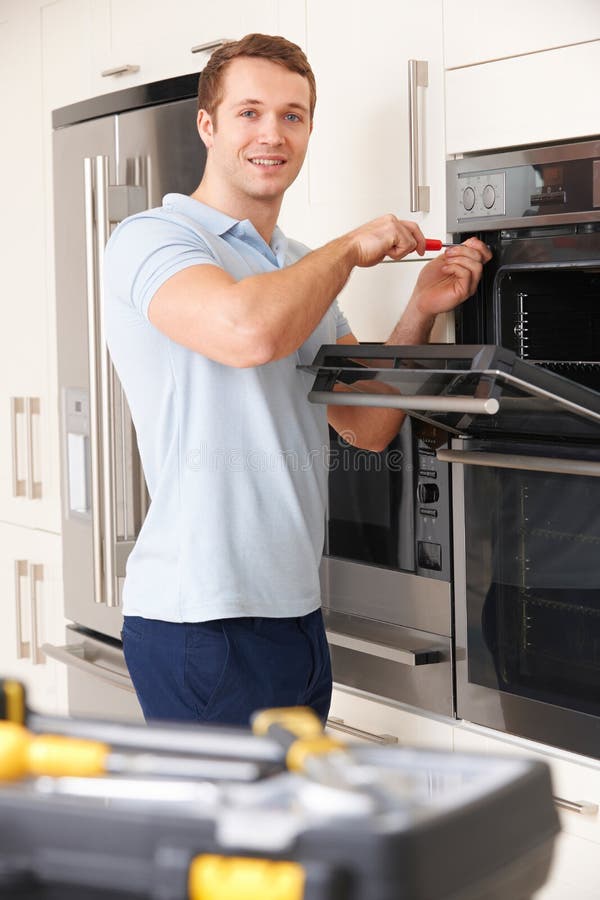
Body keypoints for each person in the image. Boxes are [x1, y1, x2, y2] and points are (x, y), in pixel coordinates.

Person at [103, 33, 492, 727]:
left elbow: (367, 426)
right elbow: (246, 333)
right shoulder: (153, 238)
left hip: (296, 616)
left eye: (292, 115)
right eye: (249, 112)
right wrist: (350, 248)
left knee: (284, 835)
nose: (271, 134)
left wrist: (419, 310)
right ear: (208, 123)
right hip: (202, 621)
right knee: (233, 837)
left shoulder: (295, 264)